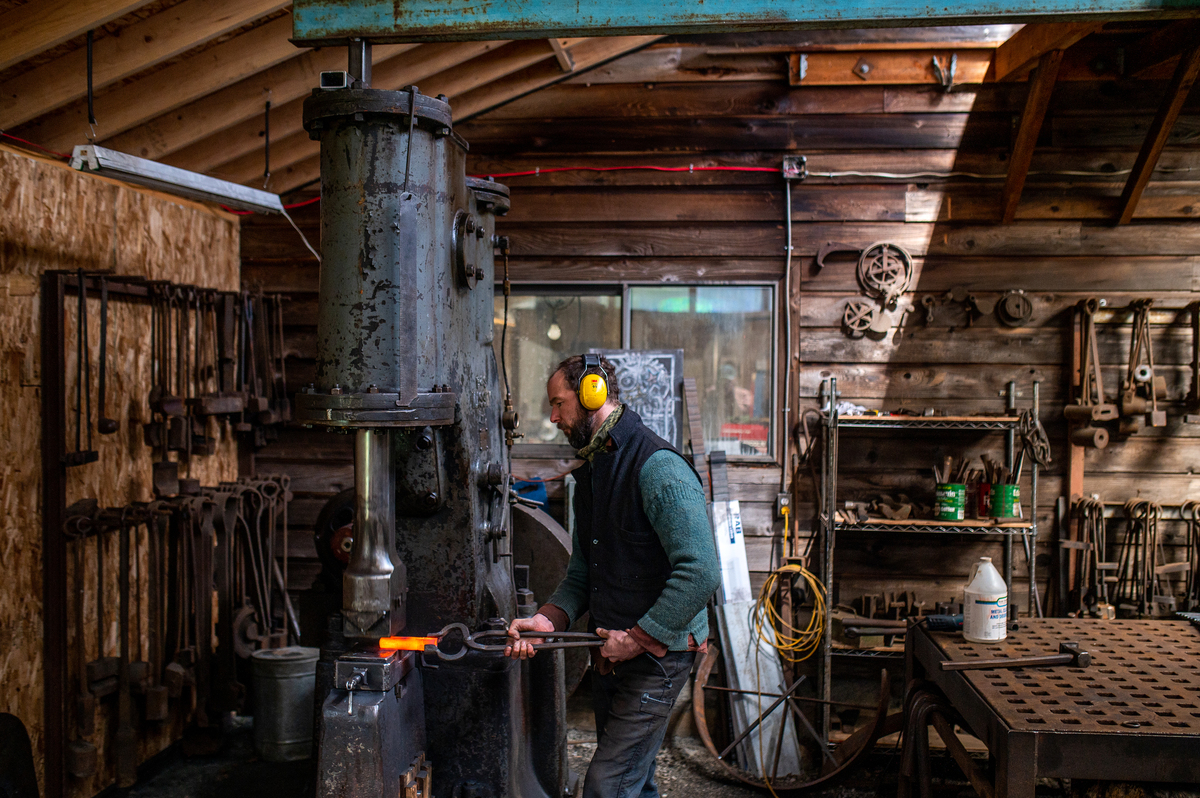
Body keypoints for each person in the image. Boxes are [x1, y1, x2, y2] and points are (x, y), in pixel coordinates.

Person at [506, 354, 721, 798]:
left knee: (606, 786)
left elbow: (701, 571)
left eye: (558, 403)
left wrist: (639, 638)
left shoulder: (657, 467)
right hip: (613, 654)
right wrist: (549, 620)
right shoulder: (592, 474)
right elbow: (583, 572)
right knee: (633, 784)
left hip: (659, 655)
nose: (553, 418)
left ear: (592, 394)